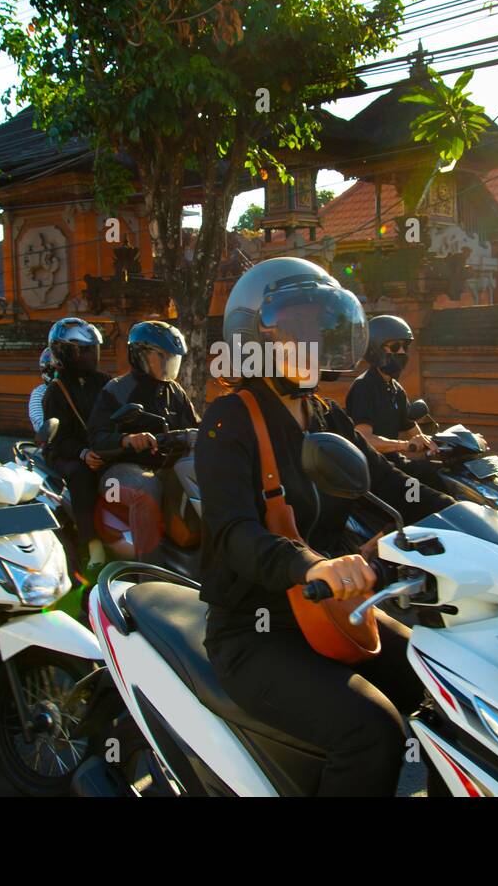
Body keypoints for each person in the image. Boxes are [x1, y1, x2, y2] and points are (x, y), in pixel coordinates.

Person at [197, 257, 453, 796]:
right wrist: (313, 564)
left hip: (337, 611)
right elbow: (233, 532)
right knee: (372, 731)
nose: (311, 339)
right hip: (257, 629)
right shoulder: (229, 420)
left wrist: (472, 513)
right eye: (295, 326)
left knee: (445, 687)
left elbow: (389, 482)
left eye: (319, 326)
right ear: (254, 336)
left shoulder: (324, 414)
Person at [88, 320, 200, 557]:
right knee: (146, 491)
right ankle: (147, 574)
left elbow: (195, 426)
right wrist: (127, 440)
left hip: (167, 466)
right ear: (140, 355)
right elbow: (97, 439)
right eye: (163, 357)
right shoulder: (116, 389)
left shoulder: (175, 391)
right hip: (117, 474)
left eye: (172, 358)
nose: (169, 364)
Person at [35, 319, 111, 570]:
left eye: (92, 349)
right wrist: (83, 453)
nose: (90, 355)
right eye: (83, 350)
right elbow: (59, 437)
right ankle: (92, 542)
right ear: (65, 353)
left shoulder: (106, 383)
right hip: (64, 451)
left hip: (100, 447)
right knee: (81, 475)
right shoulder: (55, 391)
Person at [345, 315, 443, 489]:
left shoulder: (395, 389)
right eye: (395, 347)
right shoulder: (364, 387)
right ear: (375, 349)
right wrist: (405, 445)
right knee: (427, 498)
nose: (402, 353)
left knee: (442, 475)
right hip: (374, 471)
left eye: (405, 347)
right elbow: (365, 439)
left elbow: (414, 435)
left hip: (394, 464)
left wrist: (446, 444)